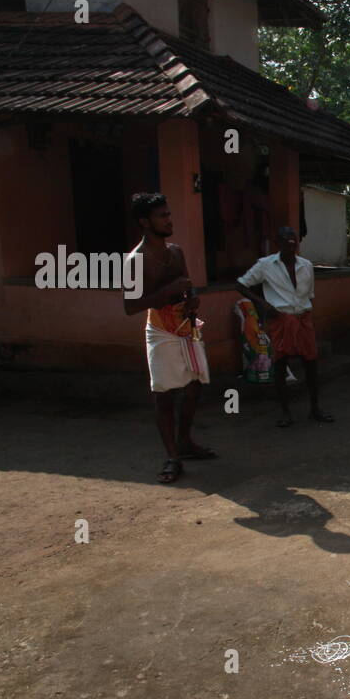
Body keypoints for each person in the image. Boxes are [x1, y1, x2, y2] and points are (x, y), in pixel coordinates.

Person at [124, 192, 216, 484]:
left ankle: (185, 442)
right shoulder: (135, 260)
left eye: (168, 214)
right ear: (145, 222)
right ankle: (172, 456)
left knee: (194, 387)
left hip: (186, 327)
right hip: (160, 330)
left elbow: (188, 287)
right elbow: (130, 306)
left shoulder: (176, 252)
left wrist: (193, 300)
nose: (169, 219)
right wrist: (169, 291)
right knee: (164, 394)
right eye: (162, 215)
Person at [235, 225, 332, 428]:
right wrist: (262, 304)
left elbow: (309, 295)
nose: (291, 245)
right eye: (287, 241)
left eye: (294, 241)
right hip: (281, 319)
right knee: (280, 364)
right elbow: (241, 284)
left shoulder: (306, 265)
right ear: (277, 244)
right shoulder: (265, 265)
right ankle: (285, 411)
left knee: (311, 363)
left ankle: (315, 409)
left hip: (303, 317)